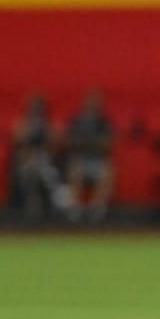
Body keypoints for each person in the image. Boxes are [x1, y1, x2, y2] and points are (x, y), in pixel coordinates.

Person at [63, 89, 116, 221]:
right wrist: (91, 143)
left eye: (96, 104)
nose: (93, 107)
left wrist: (86, 142)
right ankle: (74, 208)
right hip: (80, 159)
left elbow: (108, 144)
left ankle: (96, 207)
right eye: (90, 104)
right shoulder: (77, 120)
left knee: (107, 170)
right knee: (75, 168)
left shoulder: (104, 122)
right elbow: (69, 141)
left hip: (98, 160)